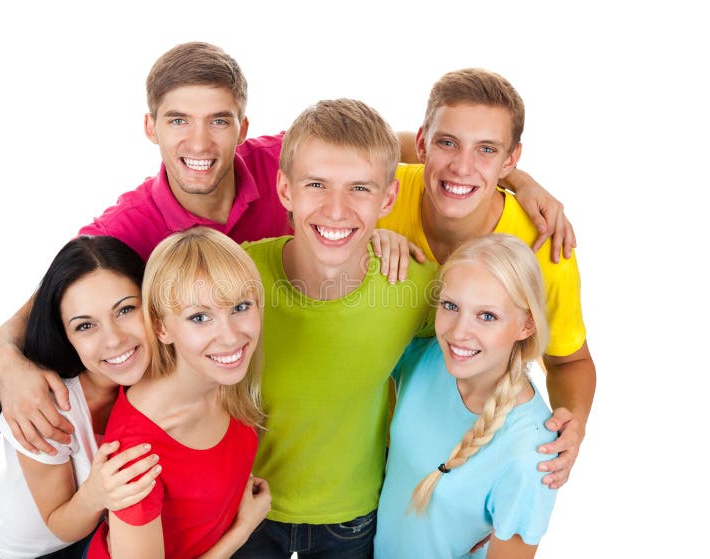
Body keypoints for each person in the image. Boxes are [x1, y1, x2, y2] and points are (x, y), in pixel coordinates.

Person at [0, 42, 572, 457]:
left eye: (219, 120)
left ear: (243, 127)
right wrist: (6, 360)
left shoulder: (281, 158)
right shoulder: (132, 224)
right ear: (151, 127)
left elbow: (397, 147)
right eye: (178, 121)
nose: (199, 142)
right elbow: (55, 297)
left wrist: (517, 182)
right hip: (214, 428)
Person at [233, 99, 438, 558]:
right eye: (316, 185)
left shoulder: (413, 285)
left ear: (388, 198)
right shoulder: (237, 275)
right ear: (285, 190)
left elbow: (485, 348)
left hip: (353, 518)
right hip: (244, 512)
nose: (336, 209)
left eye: (359, 189)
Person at [378, 68, 596, 487]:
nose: (461, 167)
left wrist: (574, 425)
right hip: (372, 450)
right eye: (447, 143)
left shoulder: (544, 248)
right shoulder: (378, 196)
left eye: (486, 150)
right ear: (422, 143)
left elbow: (570, 361)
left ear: (510, 159)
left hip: (469, 461)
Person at [85, 227, 271, 559]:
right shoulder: (137, 454)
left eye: (241, 306)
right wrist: (243, 530)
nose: (229, 337)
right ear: (161, 327)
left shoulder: (222, 379)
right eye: (200, 317)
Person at [0, 236, 161, 558]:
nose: (113, 340)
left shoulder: (158, 379)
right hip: (26, 548)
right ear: (66, 336)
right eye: (85, 326)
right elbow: (59, 523)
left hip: (102, 530)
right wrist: (97, 493)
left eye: (126, 309)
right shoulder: (46, 406)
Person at [375, 234, 559, 559]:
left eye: (487, 316)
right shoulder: (424, 356)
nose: (459, 332)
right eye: (450, 306)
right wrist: (376, 241)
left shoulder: (532, 451)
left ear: (526, 325)